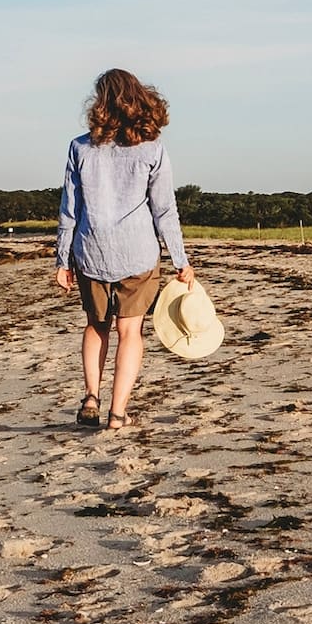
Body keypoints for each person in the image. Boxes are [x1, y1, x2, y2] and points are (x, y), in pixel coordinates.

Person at [53, 68, 194, 430]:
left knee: (96, 325)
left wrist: (62, 259)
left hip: (91, 250)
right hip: (138, 253)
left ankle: (90, 397)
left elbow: (70, 209)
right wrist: (181, 259)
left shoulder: (80, 147)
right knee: (130, 331)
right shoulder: (153, 149)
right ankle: (117, 413)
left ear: (101, 102)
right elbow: (164, 209)